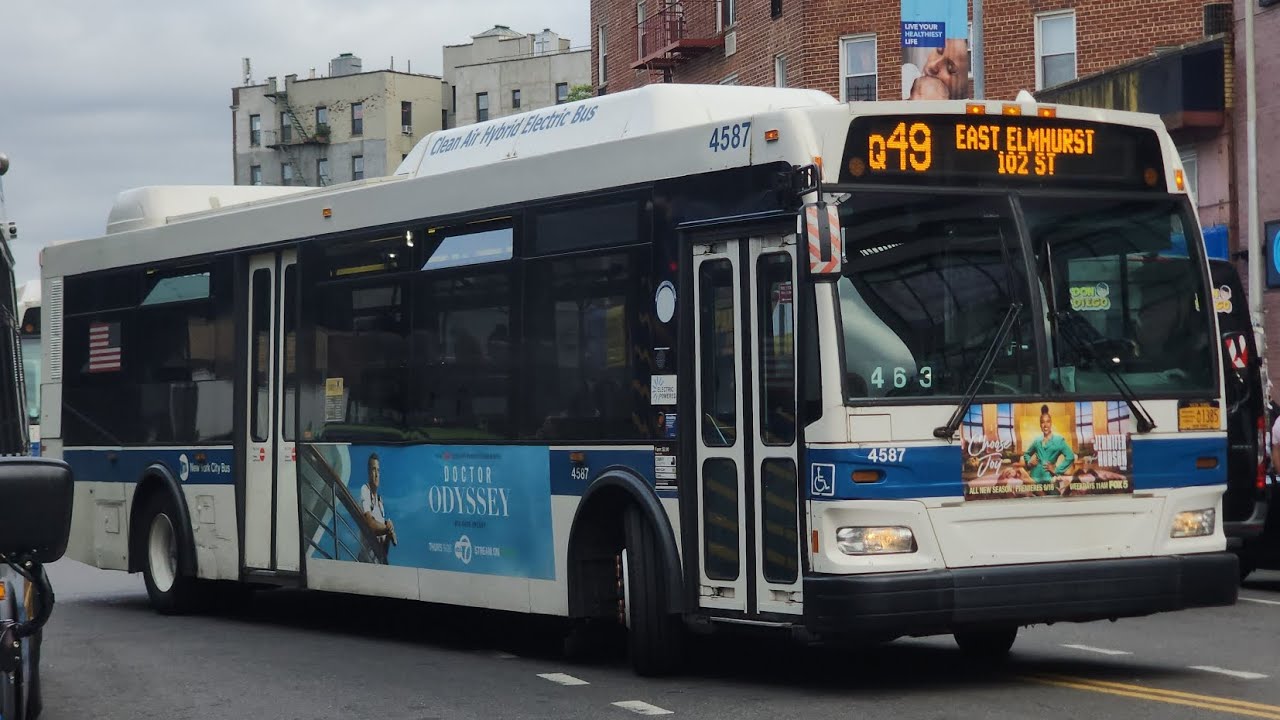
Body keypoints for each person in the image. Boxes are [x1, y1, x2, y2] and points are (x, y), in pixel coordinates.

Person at [1022, 404, 1076, 490]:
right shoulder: (1037, 441)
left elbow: (1070, 456)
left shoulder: (1059, 440)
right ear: (1040, 425)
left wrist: (1057, 470)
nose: (1045, 425)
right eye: (1042, 422)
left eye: (1047, 422)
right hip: (1033, 480)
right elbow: (1027, 454)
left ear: (1051, 423)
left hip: (1049, 481)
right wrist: (1029, 462)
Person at [360, 452, 396, 561]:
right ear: (368, 473)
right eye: (373, 469)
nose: (376, 474)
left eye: (378, 470)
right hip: (365, 562)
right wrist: (388, 529)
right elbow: (370, 524)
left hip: (377, 564)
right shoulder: (365, 490)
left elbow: (384, 551)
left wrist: (389, 536)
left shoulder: (380, 503)